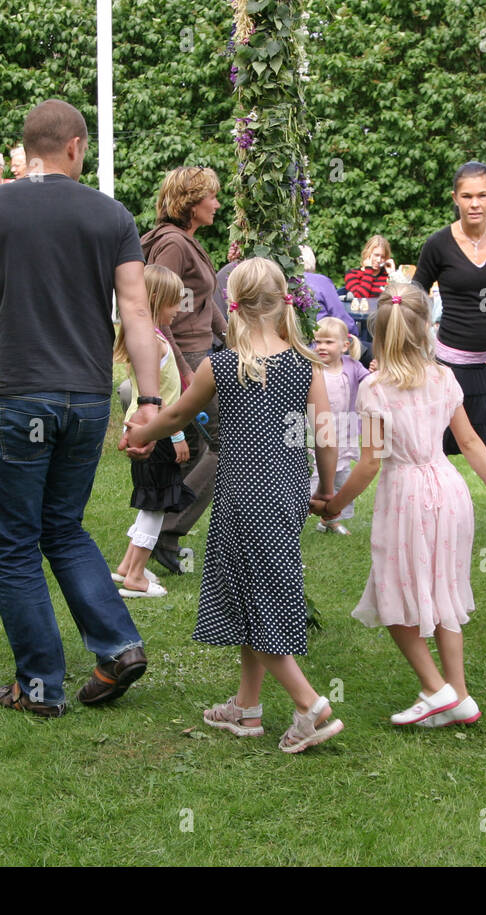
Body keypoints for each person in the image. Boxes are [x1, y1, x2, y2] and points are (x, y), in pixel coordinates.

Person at [0, 98, 163, 718]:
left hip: (17, 394)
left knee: (14, 544)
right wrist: (148, 401)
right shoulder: (112, 215)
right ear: (75, 146)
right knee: (62, 527)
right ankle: (118, 647)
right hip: (89, 398)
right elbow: (138, 313)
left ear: (27, 149)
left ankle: (39, 685)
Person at [126, 258, 346, 754]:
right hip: (288, 488)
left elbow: (178, 412)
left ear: (234, 304)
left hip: (245, 494)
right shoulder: (303, 363)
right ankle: (246, 709)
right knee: (253, 590)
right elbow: (327, 431)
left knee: (257, 596)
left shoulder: (221, 366)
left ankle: (310, 706)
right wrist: (326, 490)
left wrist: (141, 432)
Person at [315, 283, 486, 728]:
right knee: (444, 589)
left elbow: (370, 463)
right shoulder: (444, 376)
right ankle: (460, 695)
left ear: (380, 334)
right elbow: (469, 442)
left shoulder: (373, 389)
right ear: (426, 329)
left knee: (392, 593)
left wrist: (336, 504)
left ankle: (438, 690)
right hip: (449, 492)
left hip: (406, 494)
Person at [414, 161, 486, 483]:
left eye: (481, 195)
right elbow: (415, 295)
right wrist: (416, 339)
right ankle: (434, 509)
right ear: (455, 198)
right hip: (449, 364)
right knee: (431, 447)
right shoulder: (438, 243)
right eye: (466, 196)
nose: (474, 203)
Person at [140, 166, 227, 574]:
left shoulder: (188, 241)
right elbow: (159, 313)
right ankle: (167, 528)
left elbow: (205, 307)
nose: (217, 203)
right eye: (211, 196)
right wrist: (182, 369)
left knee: (189, 451)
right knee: (227, 447)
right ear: (191, 202)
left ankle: (156, 531)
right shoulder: (172, 244)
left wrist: (234, 340)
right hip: (189, 360)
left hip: (203, 354)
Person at [111, 264, 194, 596]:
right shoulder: (156, 344)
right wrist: (176, 435)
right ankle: (135, 578)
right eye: (175, 302)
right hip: (157, 434)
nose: (179, 310)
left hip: (142, 430)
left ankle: (127, 566)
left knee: (150, 501)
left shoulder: (145, 338)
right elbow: (160, 398)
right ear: (157, 300)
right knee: (156, 506)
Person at [309, 315, 369, 535]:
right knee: (312, 477)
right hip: (314, 434)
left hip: (343, 433)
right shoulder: (311, 367)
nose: (321, 347)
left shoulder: (352, 367)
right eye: (317, 342)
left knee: (341, 477)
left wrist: (378, 371)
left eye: (328, 342)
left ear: (345, 345)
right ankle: (299, 515)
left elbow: (369, 382)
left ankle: (332, 520)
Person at [299, 245, 356, 336]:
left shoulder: (282, 282)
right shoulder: (321, 281)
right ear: (312, 261)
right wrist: (355, 333)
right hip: (320, 339)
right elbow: (341, 317)